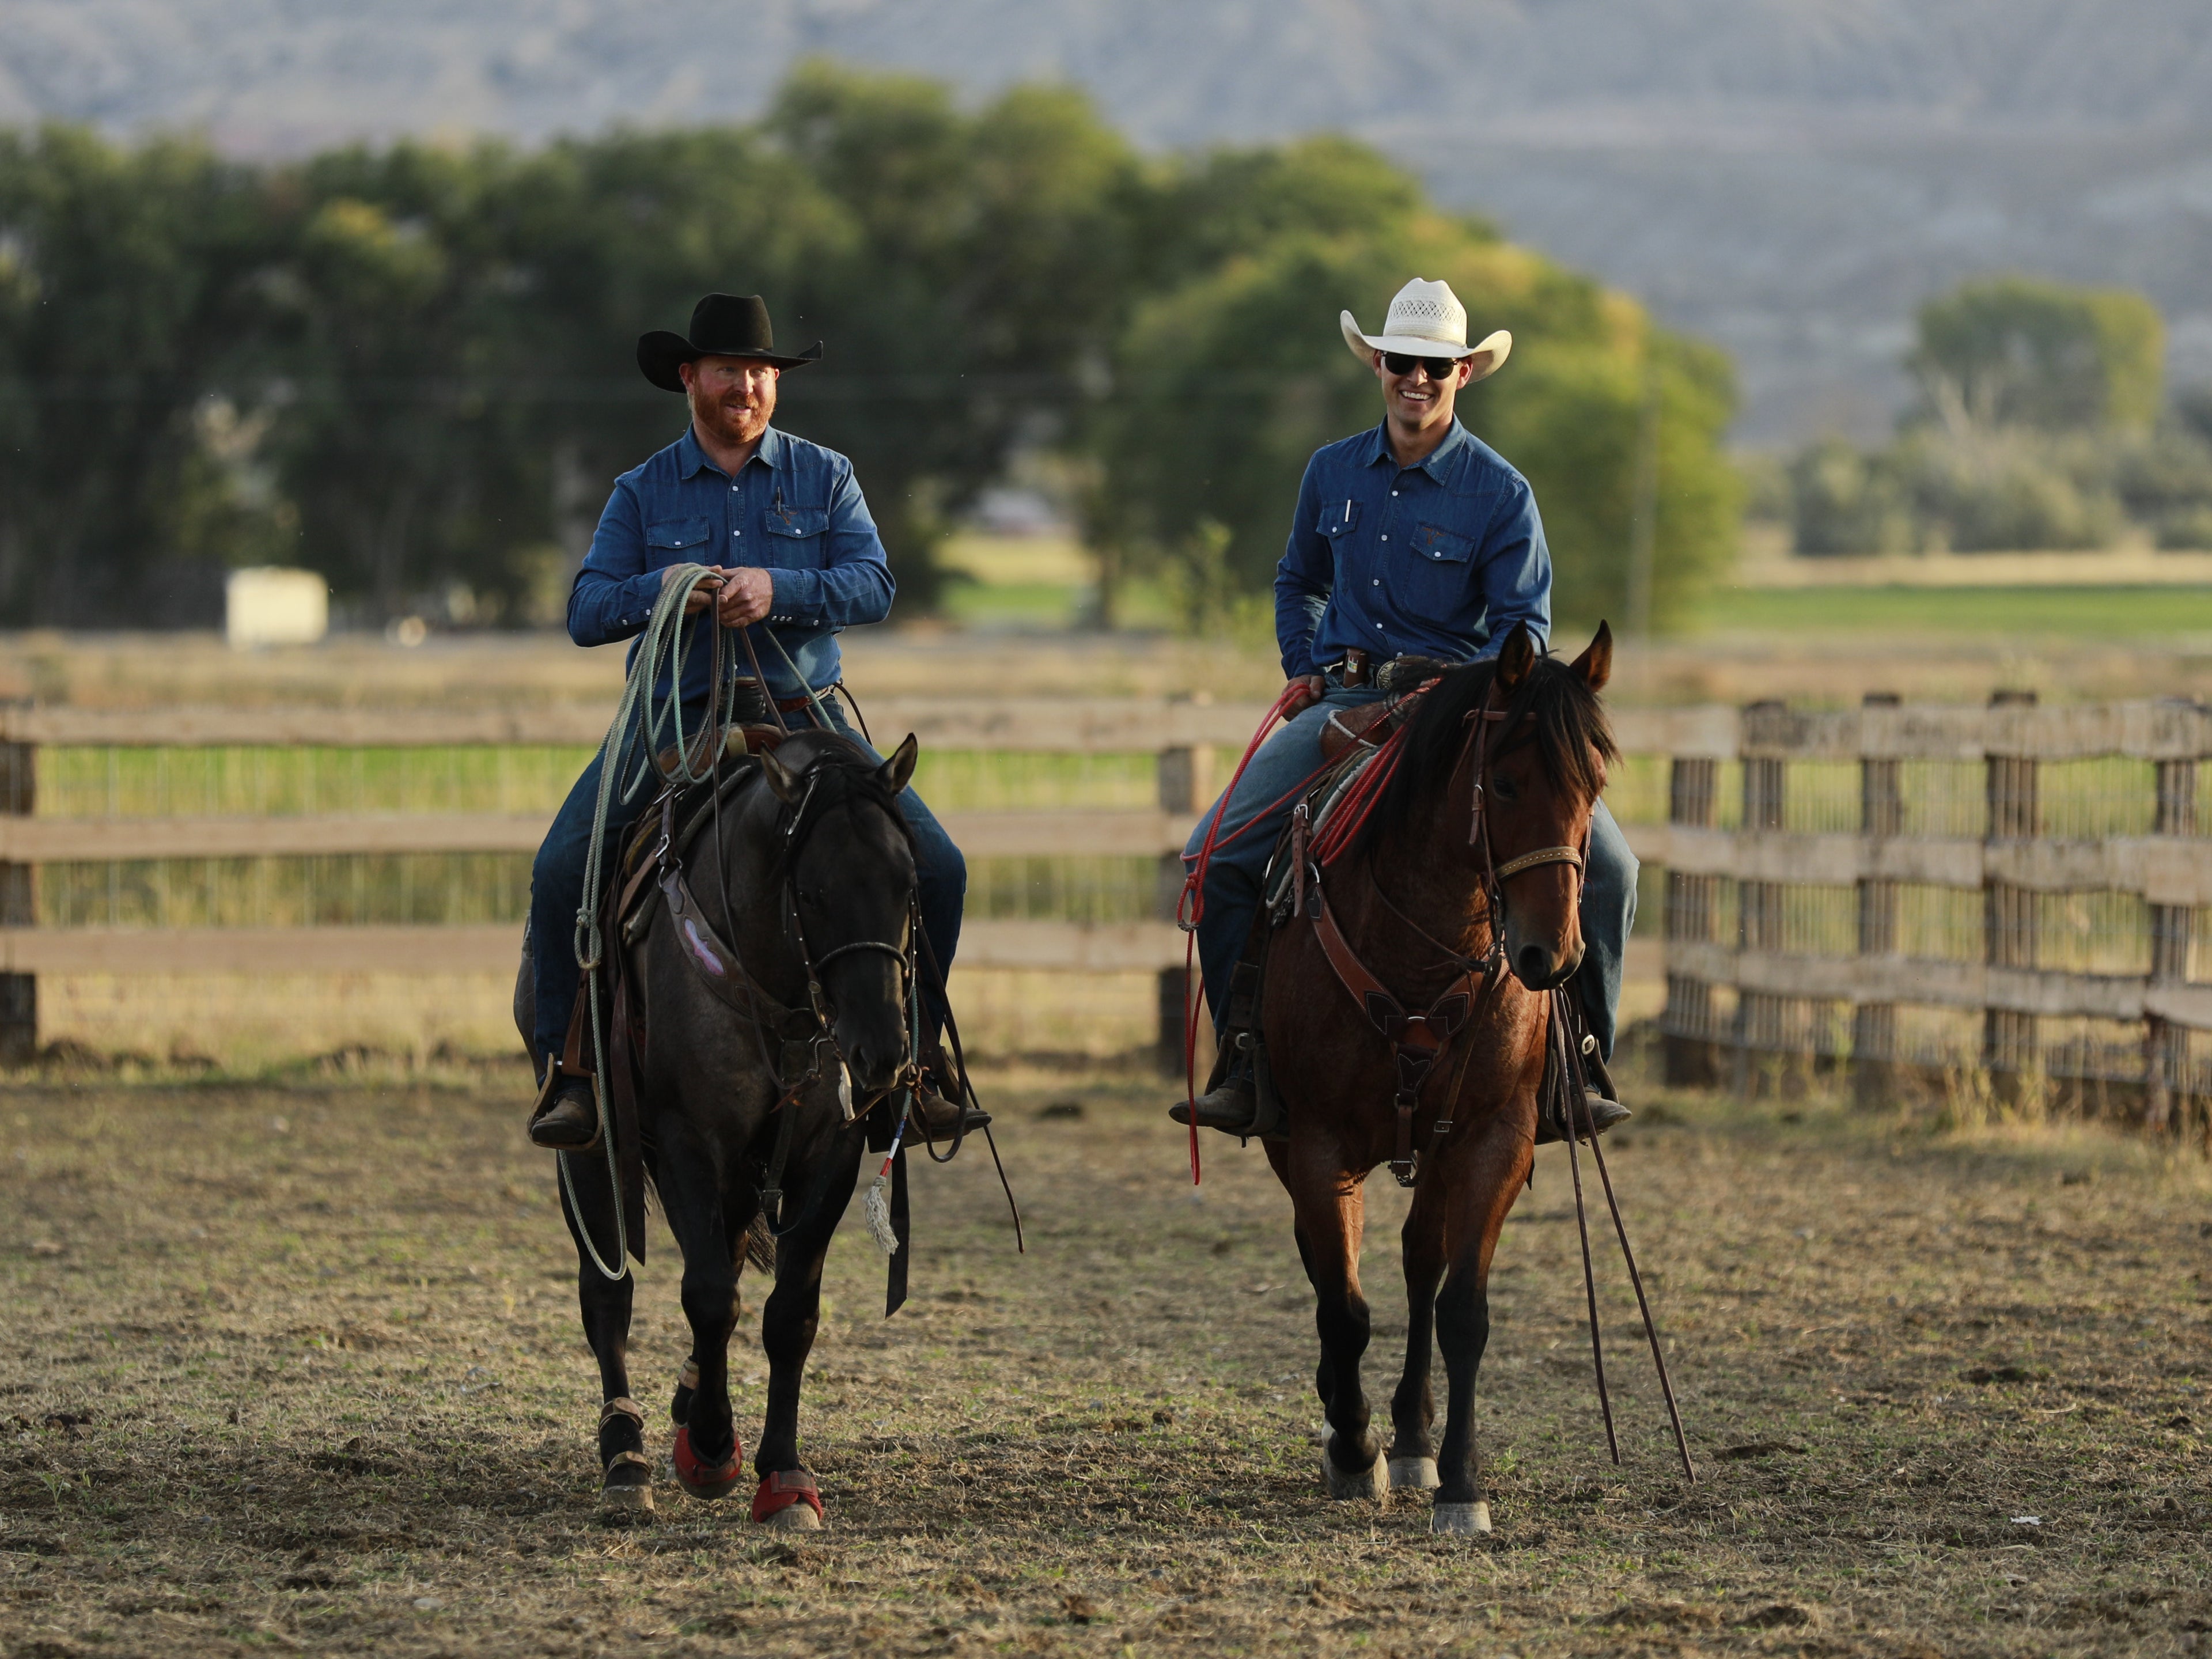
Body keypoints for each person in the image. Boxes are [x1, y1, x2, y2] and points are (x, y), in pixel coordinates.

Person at [1171, 277, 1635, 1141]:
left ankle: (1578, 1059)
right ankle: (1245, 1058)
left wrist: (1448, 699)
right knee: (1214, 857)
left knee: (1610, 869)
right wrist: (1307, 668)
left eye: (1434, 366)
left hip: (1457, 717)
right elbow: (1298, 580)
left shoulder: (1501, 493)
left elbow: (1521, 634)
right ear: (1378, 366)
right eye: (1400, 363)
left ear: (1464, 374)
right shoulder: (1331, 470)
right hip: (1342, 702)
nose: (1414, 380)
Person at [527, 293, 971, 1150]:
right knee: (560, 870)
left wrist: (782, 588)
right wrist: (658, 591)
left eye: (762, 371)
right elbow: (586, 611)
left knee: (939, 866)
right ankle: (571, 1073)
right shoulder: (641, 491)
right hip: (673, 721)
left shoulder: (827, 475)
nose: (748, 385)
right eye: (729, 369)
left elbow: (874, 585)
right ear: (689, 378)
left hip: (807, 721)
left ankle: (914, 1063)